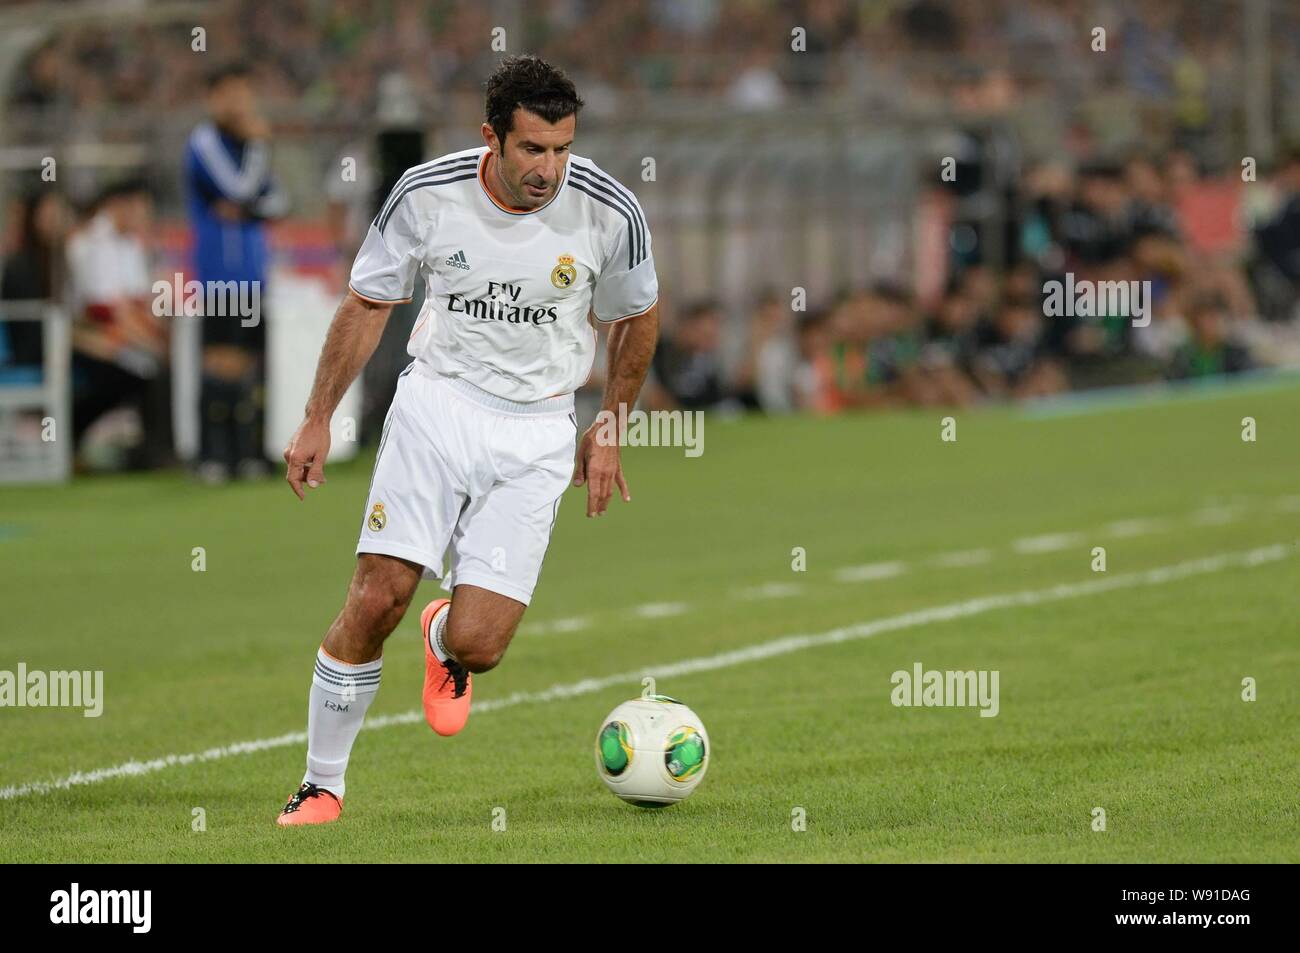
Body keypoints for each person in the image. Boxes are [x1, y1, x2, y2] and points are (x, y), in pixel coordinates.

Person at [275, 55, 659, 825]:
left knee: (480, 643)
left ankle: (443, 635)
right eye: (531, 150)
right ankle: (322, 783)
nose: (549, 168)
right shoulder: (426, 193)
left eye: (562, 149)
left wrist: (609, 425)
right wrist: (319, 415)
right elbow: (368, 303)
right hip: (438, 407)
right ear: (492, 136)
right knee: (378, 593)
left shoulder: (607, 210)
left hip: (539, 427)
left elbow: (637, 317)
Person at [184, 61, 288, 483]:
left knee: (249, 365)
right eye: (229, 93)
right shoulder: (204, 141)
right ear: (212, 98)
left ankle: (248, 454)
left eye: (244, 92)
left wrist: (250, 207)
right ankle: (212, 456)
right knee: (218, 364)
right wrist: (259, 151)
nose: (239, 102)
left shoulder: (249, 147)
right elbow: (241, 188)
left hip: (254, 271)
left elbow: (279, 202)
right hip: (220, 275)